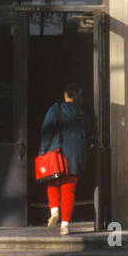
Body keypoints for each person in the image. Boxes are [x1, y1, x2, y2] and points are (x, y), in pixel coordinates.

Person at [39, 82, 93, 235]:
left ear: (65, 95)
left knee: (52, 183)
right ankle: (65, 224)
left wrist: (42, 150)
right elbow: (88, 137)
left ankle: (55, 211)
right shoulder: (83, 114)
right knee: (68, 190)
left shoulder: (55, 110)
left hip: (56, 154)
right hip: (75, 157)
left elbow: (46, 131)